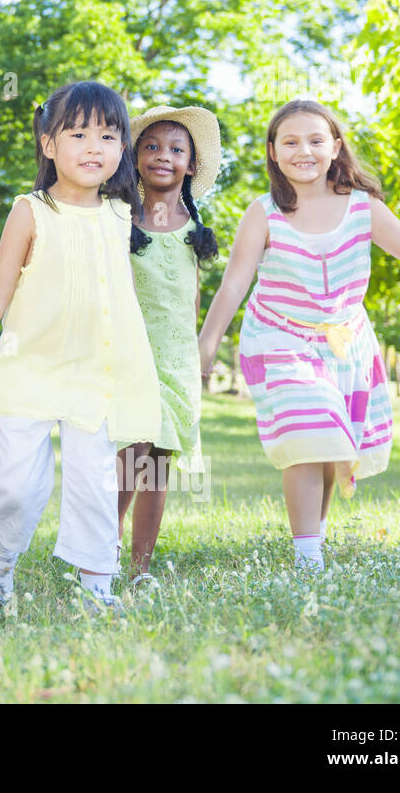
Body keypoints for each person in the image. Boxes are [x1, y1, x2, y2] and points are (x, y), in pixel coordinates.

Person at [198, 99, 400, 571]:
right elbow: (235, 282)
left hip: (344, 342)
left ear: (335, 147)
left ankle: (314, 540)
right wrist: (207, 345)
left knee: (331, 444)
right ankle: (307, 560)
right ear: (273, 152)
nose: (303, 151)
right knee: (309, 427)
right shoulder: (264, 212)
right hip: (279, 339)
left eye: (315, 140)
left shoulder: (361, 208)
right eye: (290, 142)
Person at [0, 81, 160, 615]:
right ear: (49, 144)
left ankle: (97, 590)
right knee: (16, 488)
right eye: (77, 134)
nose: (93, 146)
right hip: (32, 371)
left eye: (107, 134)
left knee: (96, 485)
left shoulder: (123, 215)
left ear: (122, 147)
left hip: (96, 377)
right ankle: (0, 567)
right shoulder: (31, 210)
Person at [122, 105, 221, 589]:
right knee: (127, 459)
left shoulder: (192, 228)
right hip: (129, 357)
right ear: (135, 157)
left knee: (157, 466)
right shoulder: (121, 218)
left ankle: (140, 569)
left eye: (176, 149)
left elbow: (191, 296)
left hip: (176, 360)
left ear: (191, 165)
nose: (163, 156)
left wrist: (204, 350)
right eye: (152, 146)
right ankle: (97, 555)